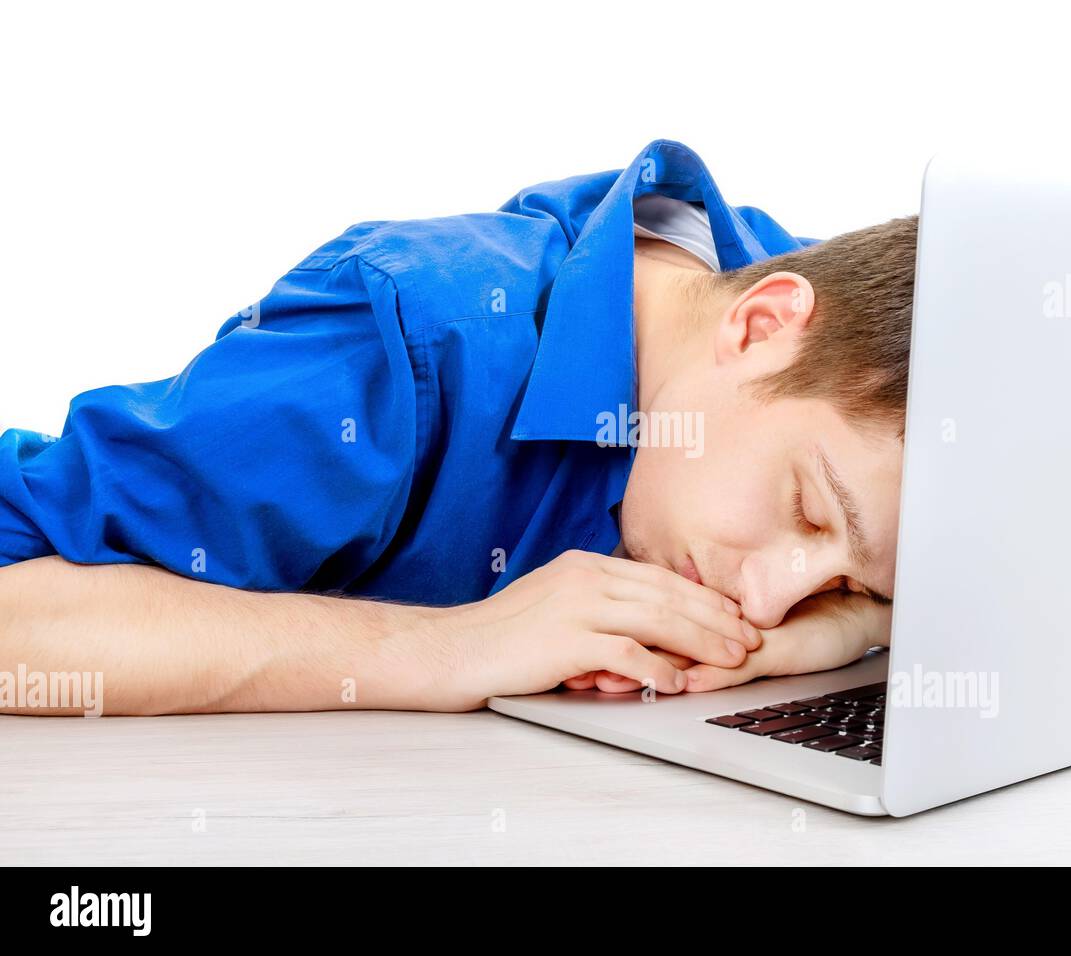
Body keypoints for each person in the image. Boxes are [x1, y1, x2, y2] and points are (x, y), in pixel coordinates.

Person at [0, 139, 915, 716]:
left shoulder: (828, 328)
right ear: (759, 326)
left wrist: (843, 627)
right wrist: (456, 646)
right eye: (805, 509)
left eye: (842, 576)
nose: (767, 603)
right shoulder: (406, 342)